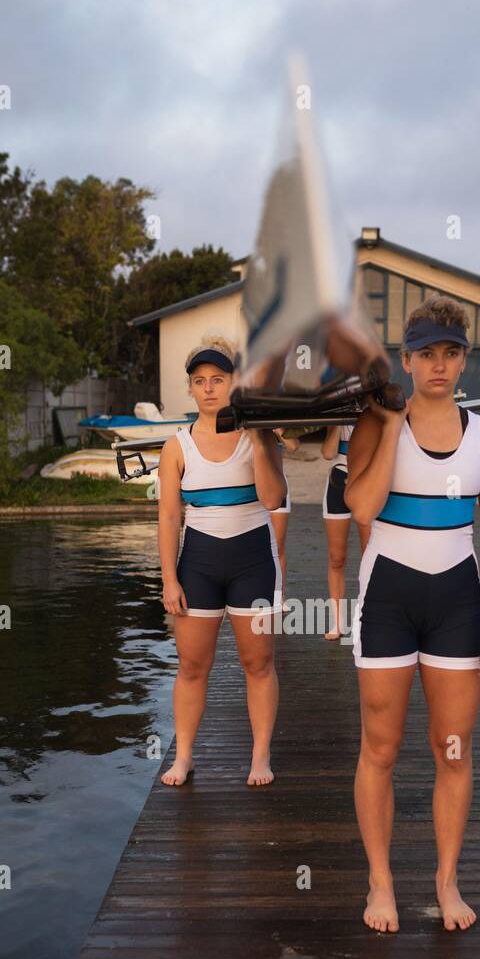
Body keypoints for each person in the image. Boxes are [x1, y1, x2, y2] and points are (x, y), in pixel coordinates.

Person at [345, 296, 480, 933]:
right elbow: (363, 508)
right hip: (387, 598)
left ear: (464, 360)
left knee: (453, 750)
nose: (439, 364)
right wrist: (392, 427)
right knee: (380, 749)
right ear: (406, 360)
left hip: (456, 604)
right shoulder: (373, 424)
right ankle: (380, 881)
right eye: (426, 354)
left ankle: (446, 880)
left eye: (451, 352)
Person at [157, 336, 288, 787]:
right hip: (198, 565)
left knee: (259, 664)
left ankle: (260, 756)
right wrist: (169, 579)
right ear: (190, 389)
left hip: (254, 560)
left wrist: (260, 438)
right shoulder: (176, 447)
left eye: (218, 379)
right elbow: (169, 517)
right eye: (200, 381)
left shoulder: (258, 437)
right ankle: (184, 757)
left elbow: (273, 499)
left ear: (234, 384)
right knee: (192, 666)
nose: (209, 388)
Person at [321, 424, 370, 640]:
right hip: (338, 480)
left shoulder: (375, 413)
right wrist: (336, 423)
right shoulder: (338, 415)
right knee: (336, 557)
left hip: (366, 482)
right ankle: (337, 622)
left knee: (369, 555)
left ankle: (368, 616)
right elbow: (328, 453)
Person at [269, 430, 299, 608]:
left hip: (276, 483)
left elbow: (293, 445)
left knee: (278, 545)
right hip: (247, 485)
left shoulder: (274, 420)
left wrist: (279, 429)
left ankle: (278, 596)